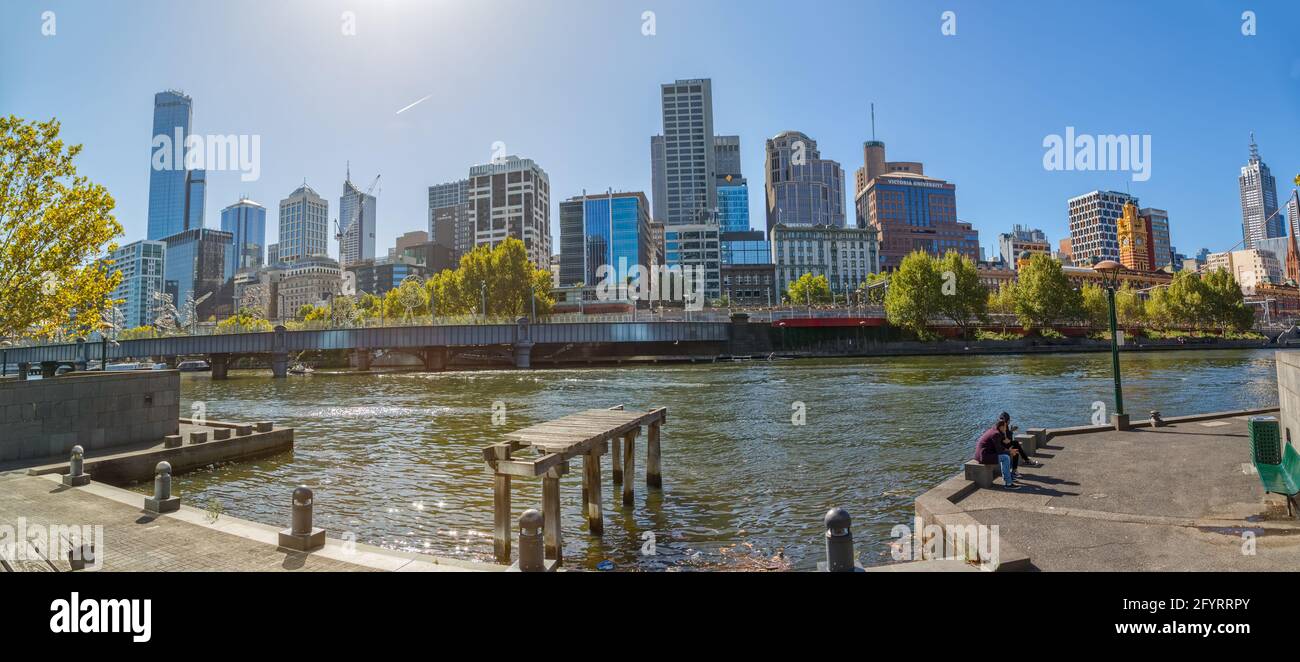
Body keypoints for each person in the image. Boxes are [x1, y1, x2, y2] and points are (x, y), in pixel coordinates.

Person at [974, 419, 1018, 489]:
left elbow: (999, 446)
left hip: (982, 454)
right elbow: (999, 451)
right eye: (1005, 427)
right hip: (984, 456)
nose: (1006, 428)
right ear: (1001, 427)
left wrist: (1009, 450)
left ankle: (1007, 478)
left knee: (1005, 456)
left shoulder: (993, 430)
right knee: (1005, 458)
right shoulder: (996, 434)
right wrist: (1010, 452)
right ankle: (1008, 483)